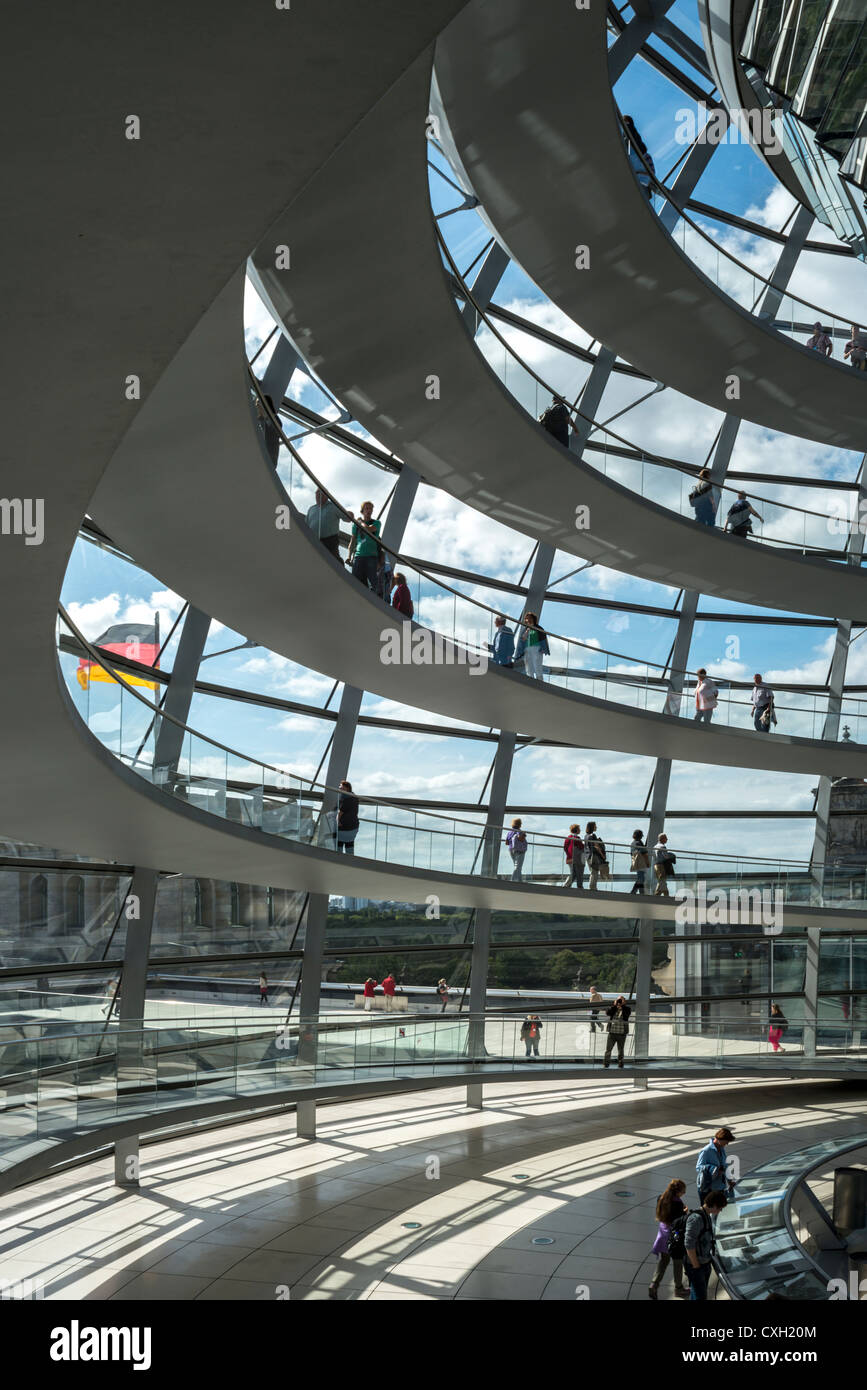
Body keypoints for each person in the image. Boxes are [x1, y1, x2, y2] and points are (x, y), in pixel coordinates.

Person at [648, 1179, 689, 1300]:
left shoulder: (661, 1198)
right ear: (678, 1192)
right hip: (674, 1236)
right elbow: (679, 1222)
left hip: (662, 1234)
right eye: (683, 1191)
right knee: (678, 1262)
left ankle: (654, 1284)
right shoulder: (678, 1204)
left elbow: (667, 1215)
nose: (684, 1193)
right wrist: (685, 1212)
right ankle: (679, 1288)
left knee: (663, 1261)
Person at [684, 1190, 727, 1301]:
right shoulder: (696, 1219)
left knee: (697, 1293)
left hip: (704, 1263)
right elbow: (689, 1244)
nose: (721, 1211)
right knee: (700, 1296)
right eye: (720, 1208)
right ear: (714, 1205)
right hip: (696, 1266)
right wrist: (696, 1266)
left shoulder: (706, 1215)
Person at [695, 1126, 736, 1208]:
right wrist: (714, 1169)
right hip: (708, 1188)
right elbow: (698, 1167)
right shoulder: (706, 1151)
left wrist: (729, 1180)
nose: (727, 1144)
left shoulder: (721, 1149)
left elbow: (725, 1166)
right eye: (726, 1141)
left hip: (719, 1186)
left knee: (719, 1210)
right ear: (720, 1139)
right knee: (708, 1211)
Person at [346, 500, 382, 591]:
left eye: (370, 508)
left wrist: (360, 522)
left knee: (373, 584)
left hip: (371, 556)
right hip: (359, 556)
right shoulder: (356, 525)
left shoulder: (376, 523)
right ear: (362, 511)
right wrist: (349, 556)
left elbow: (369, 529)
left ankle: (376, 600)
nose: (369, 510)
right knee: (356, 582)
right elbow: (352, 540)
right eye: (366, 508)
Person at [623, 115, 655, 197]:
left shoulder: (629, 146)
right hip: (640, 183)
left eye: (627, 123)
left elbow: (651, 174)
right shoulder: (645, 155)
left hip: (639, 182)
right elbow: (652, 174)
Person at [305, 488, 342, 559]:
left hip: (330, 540)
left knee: (333, 561)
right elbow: (306, 525)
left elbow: (347, 518)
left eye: (320, 494)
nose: (318, 496)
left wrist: (349, 514)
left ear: (326, 496)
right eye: (316, 494)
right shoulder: (312, 509)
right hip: (314, 540)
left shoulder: (334, 506)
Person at [516, 612, 549, 681]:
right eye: (526, 618)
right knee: (528, 667)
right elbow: (523, 639)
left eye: (529, 618)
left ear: (533, 619)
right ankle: (530, 680)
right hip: (527, 649)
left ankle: (540, 681)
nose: (528, 620)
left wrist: (543, 648)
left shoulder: (539, 628)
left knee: (537, 665)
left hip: (536, 648)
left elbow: (543, 638)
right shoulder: (525, 629)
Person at [603, 996, 630, 1068]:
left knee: (621, 1050)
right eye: (619, 1000)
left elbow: (626, 1016)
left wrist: (622, 1007)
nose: (620, 1001)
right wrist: (615, 1006)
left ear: (624, 1001)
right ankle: (606, 1064)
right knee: (608, 1049)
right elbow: (607, 1013)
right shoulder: (613, 1008)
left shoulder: (627, 1009)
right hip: (612, 1032)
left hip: (622, 1033)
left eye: (621, 1000)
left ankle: (621, 1063)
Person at [336, 780, 359, 853]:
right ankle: (349, 861)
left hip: (344, 827)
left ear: (347, 788)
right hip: (353, 827)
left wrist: (337, 821)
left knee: (339, 846)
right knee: (349, 846)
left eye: (342, 788)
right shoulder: (354, 797)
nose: (340, 789)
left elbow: (340, 813)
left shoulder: (346, 799)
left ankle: (338, 860)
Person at [584, 821, 608, 891]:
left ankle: (592, 887)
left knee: (592, 872)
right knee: (594, 872)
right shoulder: (592, 835)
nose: (596, 827)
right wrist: (602, 855)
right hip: (594, 856)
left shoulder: (586, 836)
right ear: (592, 827)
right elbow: (596, 846)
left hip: (587, 856)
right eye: (595, 826)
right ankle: (593, 887)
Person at [563, 823, 585, 889]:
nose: (580, 830)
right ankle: (577, 886)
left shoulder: (568, 838)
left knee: (573, 873)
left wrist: (568, 855)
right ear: (576, 830)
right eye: (579, 829)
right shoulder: (577, 838)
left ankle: (567, 885)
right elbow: (581, 847)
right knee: (578, 873)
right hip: (577, 859)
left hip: (569, 858)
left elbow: (565, 848)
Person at [630, 829, 650, 893]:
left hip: (636, 862)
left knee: (641, 877)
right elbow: (644, 853)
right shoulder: (639, 843)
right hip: (641, 862)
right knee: (641, 878)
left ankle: (641, 892)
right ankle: (634, 891)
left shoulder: (633, 843)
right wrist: (647, 862)